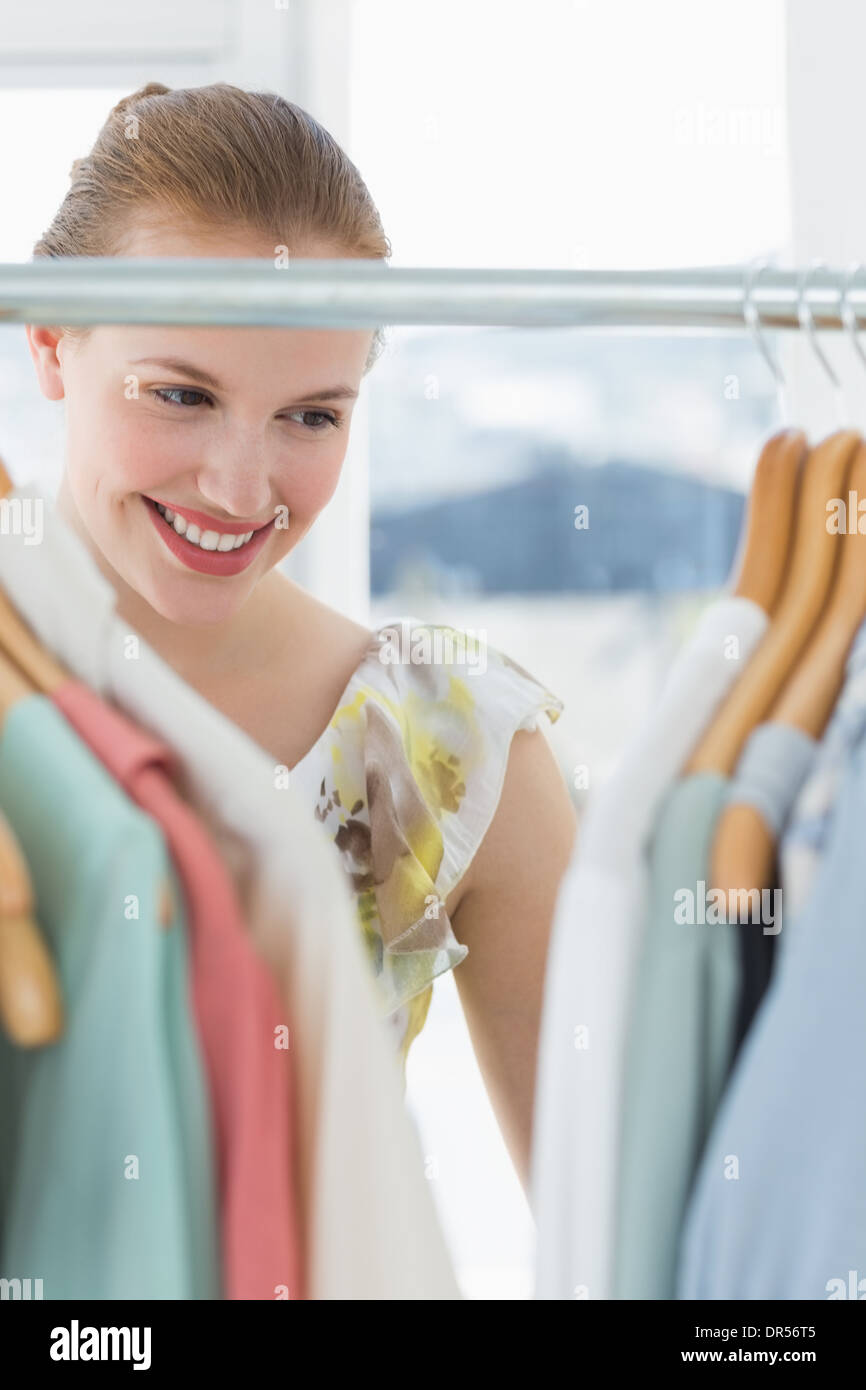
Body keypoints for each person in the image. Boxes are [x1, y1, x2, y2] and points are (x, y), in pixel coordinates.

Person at [25, 81, 577, 1193]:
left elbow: (627, 1247)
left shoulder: (455, 748)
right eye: (179, 395)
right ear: (49, 347)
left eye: (310, 414)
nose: (239, 487)